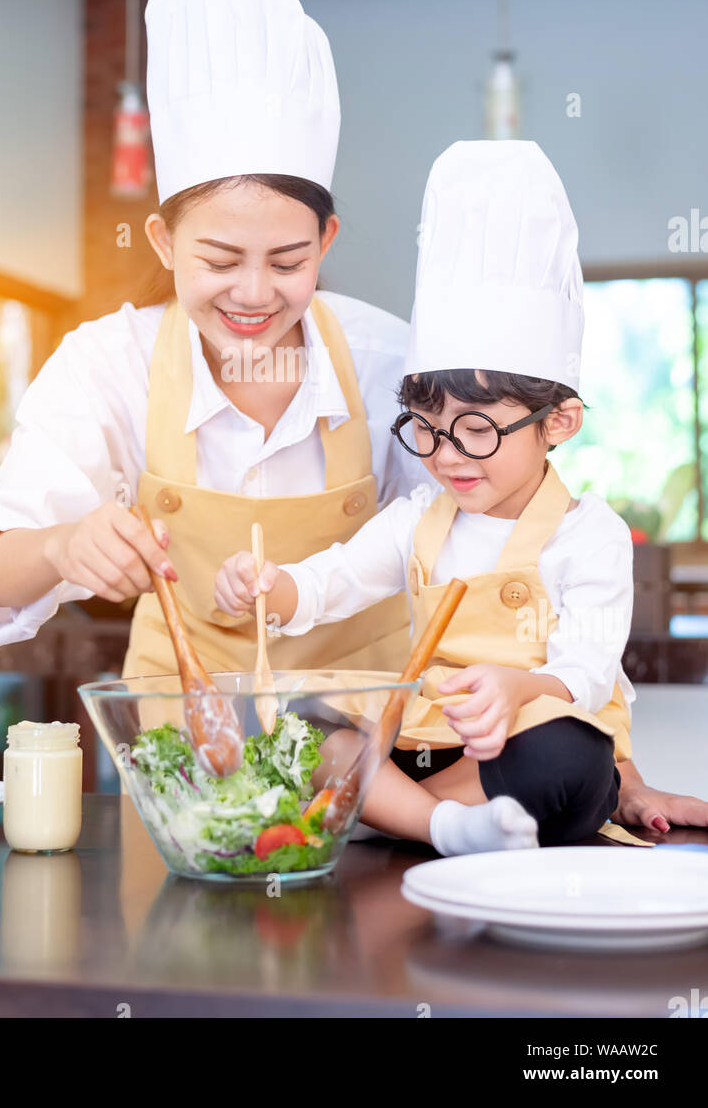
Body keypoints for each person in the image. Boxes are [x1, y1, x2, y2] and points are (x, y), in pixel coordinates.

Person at [0, 0, 707, 832]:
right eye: (218, 260)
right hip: (193, 767)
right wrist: (63, 544)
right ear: (163, 240)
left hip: (384, 756)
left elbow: (514, 567)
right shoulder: (107, 366)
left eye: (287, 261)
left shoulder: (392, 364)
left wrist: (609, 770)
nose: (253, 294)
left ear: (328, 240)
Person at [213, 141, 672, 850]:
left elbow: (585, 670)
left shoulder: (588, 535)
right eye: (425, 432)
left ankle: (393, 814)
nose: (447, 457)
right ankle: (446, 826)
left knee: (569, 759)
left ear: (558, 422)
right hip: (426, 748)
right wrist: (263, 585)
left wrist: (517, 691)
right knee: (305, 731)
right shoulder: (416, 522)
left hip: (518, 748)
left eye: (476, 432)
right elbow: (324, 586)